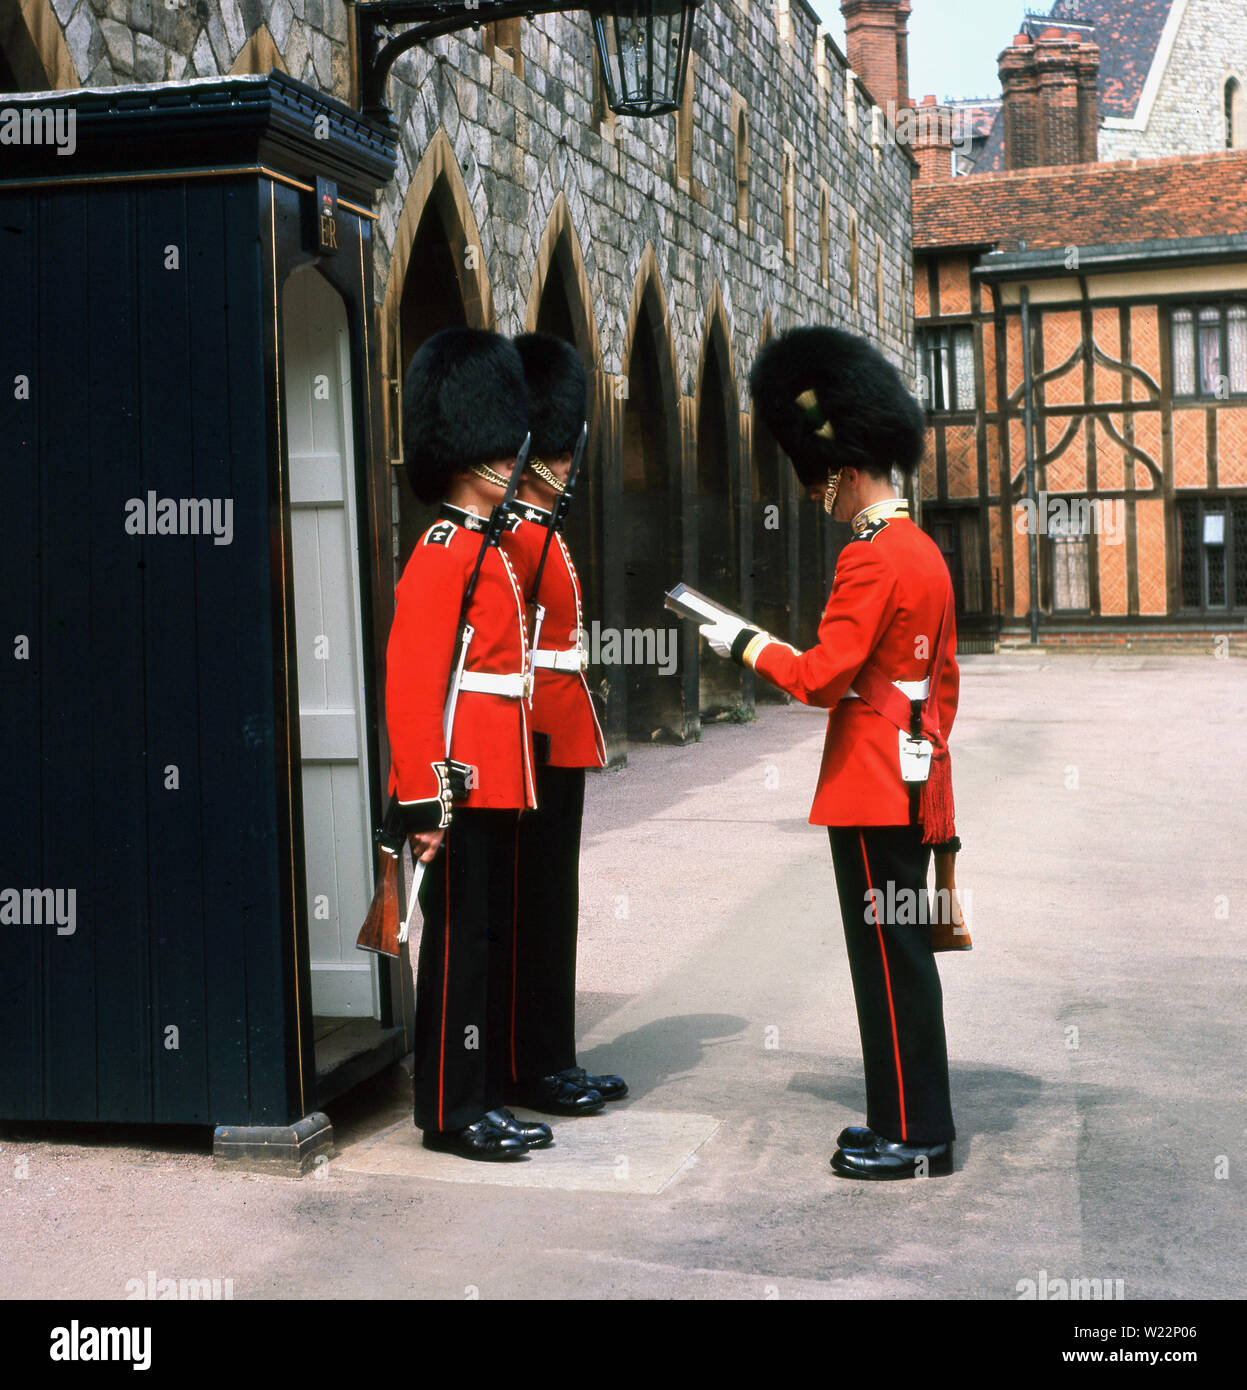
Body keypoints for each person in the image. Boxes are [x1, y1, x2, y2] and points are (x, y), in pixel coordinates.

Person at [700, 325, 962, 1180]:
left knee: (887, 963)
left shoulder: (870, 557)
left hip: (869, 783)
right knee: (902, 955)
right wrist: (921, 753)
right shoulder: (920, 549)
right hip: (910, 772)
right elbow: (945, 681)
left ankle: (914, 1136)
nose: (819, 497)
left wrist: (741, 643)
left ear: (846, 471)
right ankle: (902, 1117)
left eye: (820, 482)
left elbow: (817, 678)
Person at [385, 327, 551, 1162]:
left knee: (483, 944)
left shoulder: (489, 547)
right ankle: (449, 1112)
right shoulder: (444, 550)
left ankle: (479, 1096)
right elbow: (413, 680)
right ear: (472, 452)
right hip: (457, 779)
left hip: (496, 772)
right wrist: (423, 795)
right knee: (454, 951)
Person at [499, 333, 628, 1117]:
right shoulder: (513, 532)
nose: (572, 462)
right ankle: (529, 1063)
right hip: (527, 742)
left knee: (554, 907)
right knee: (530, 910)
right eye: (566, 450)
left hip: (556, 734)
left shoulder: (539, 525)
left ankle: (553, 1055)